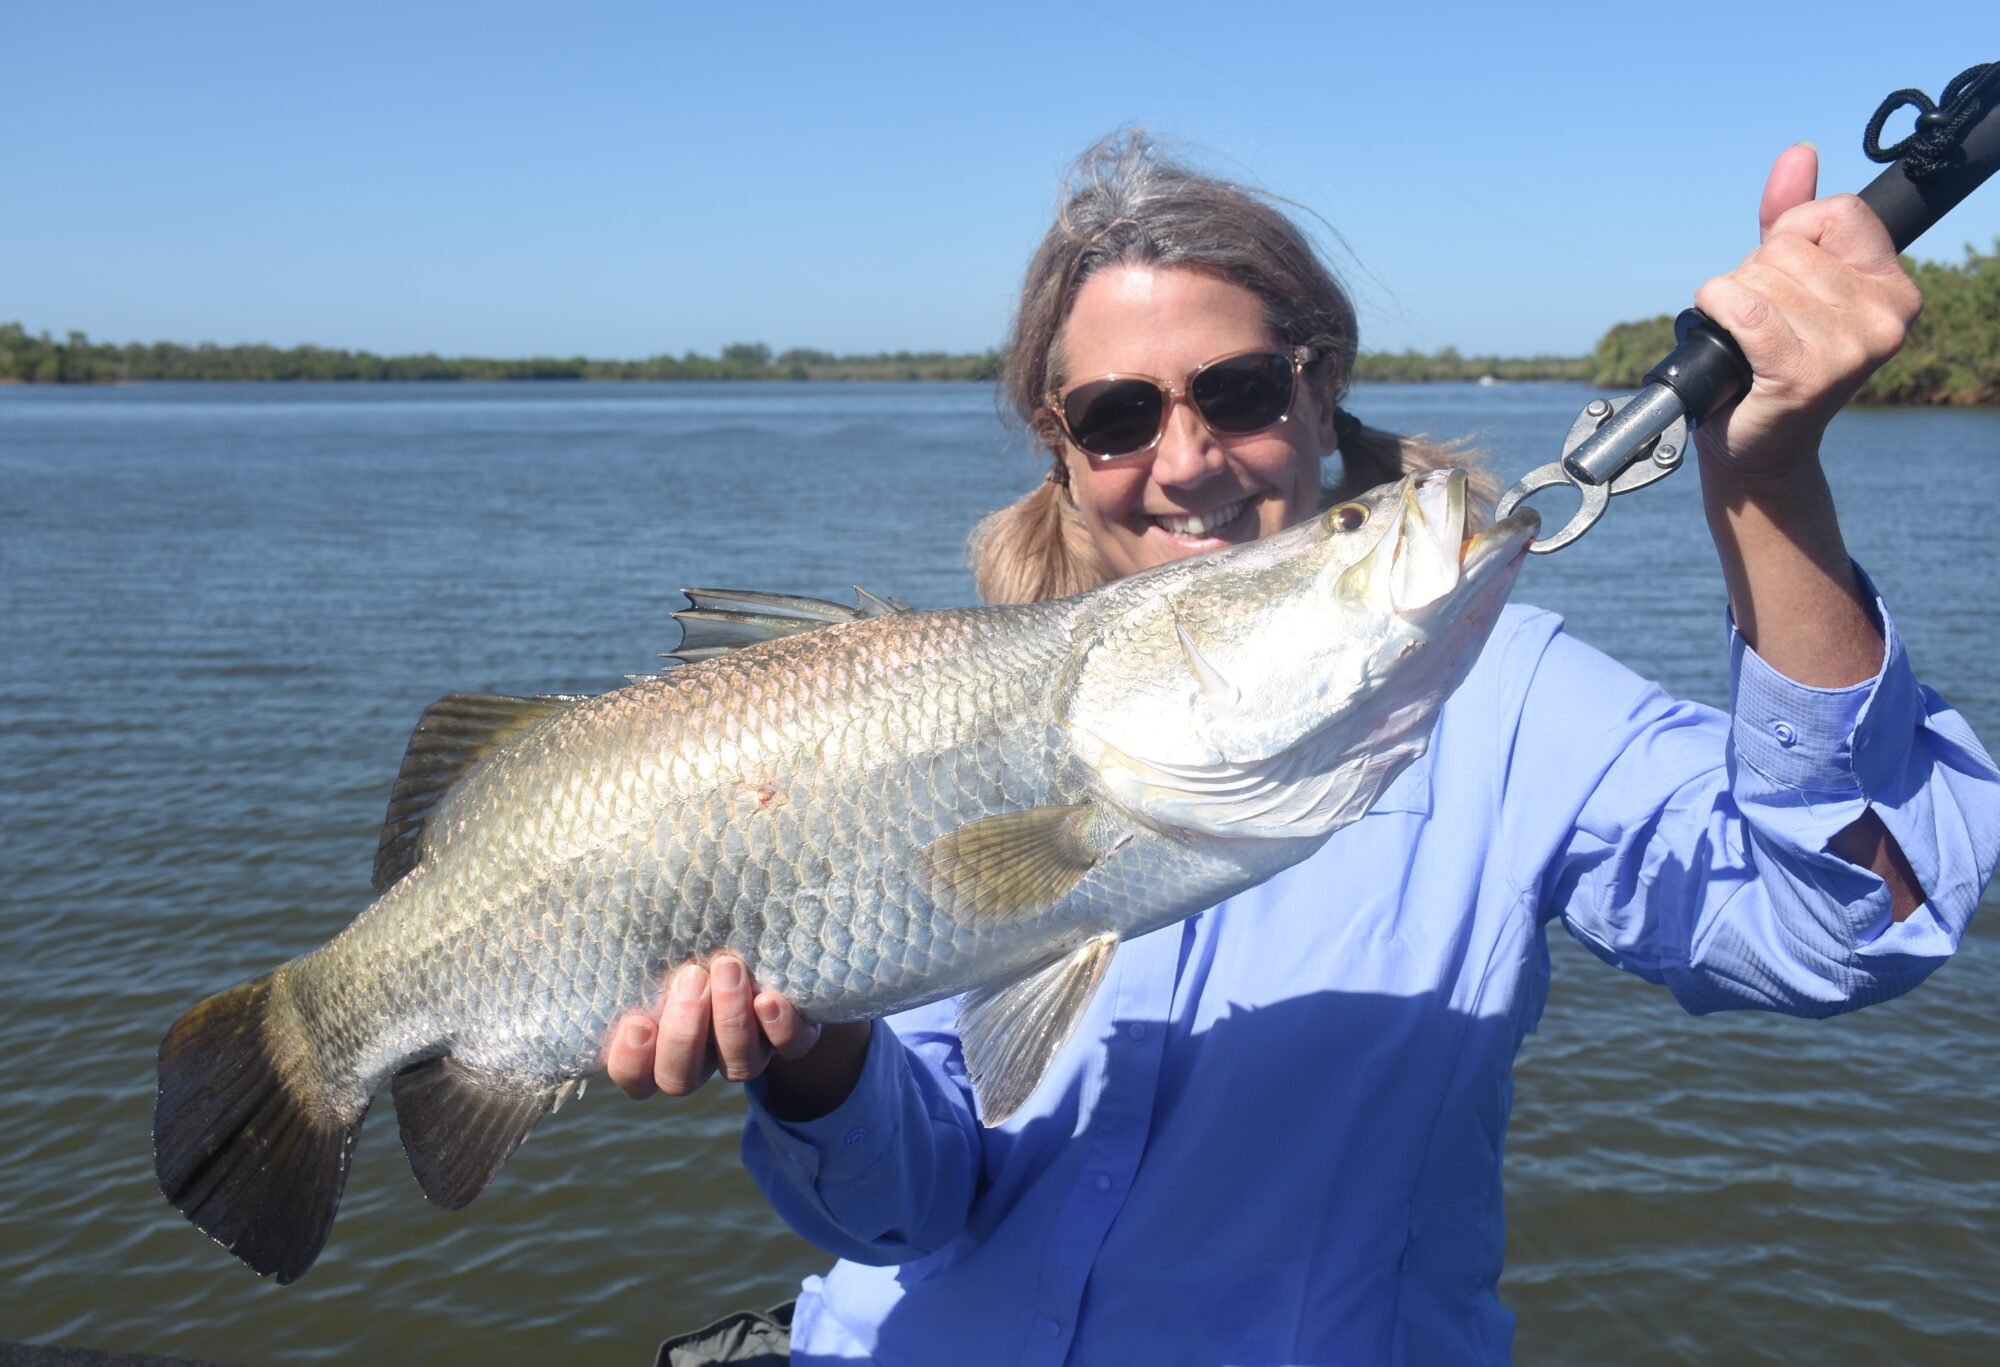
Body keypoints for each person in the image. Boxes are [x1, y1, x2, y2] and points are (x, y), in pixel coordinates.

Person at [611, 133, 2000, 1366]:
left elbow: (1850, 929)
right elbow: (904, 1213)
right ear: (1061, 449)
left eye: (1240, 391)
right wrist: (812, 1056)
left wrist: (1766, 488)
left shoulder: (1504, 695)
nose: (1188, 457)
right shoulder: (933, 726)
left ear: (1321, 393)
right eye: (1116, 416)